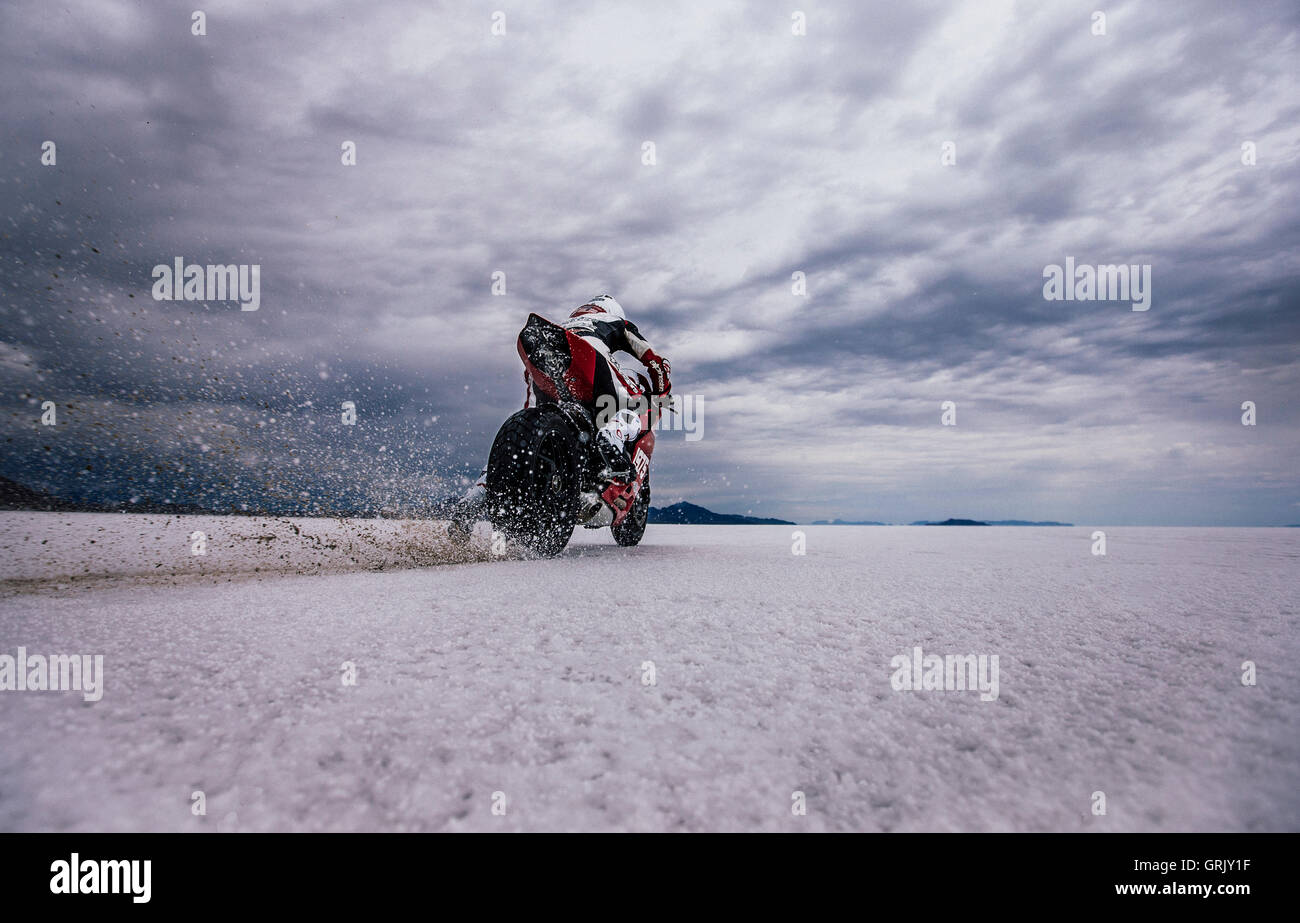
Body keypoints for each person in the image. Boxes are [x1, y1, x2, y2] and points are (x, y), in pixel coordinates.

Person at [448, 295, 671, 535]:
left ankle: (476, 494)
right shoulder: (614, 321)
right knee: (646, 403)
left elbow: (530, 409)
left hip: (540, 362)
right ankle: (613, 433)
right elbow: (655, 361)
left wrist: (529, 432)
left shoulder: (567, 324)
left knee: (523, 443)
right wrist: (663, 391)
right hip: (591, 363)